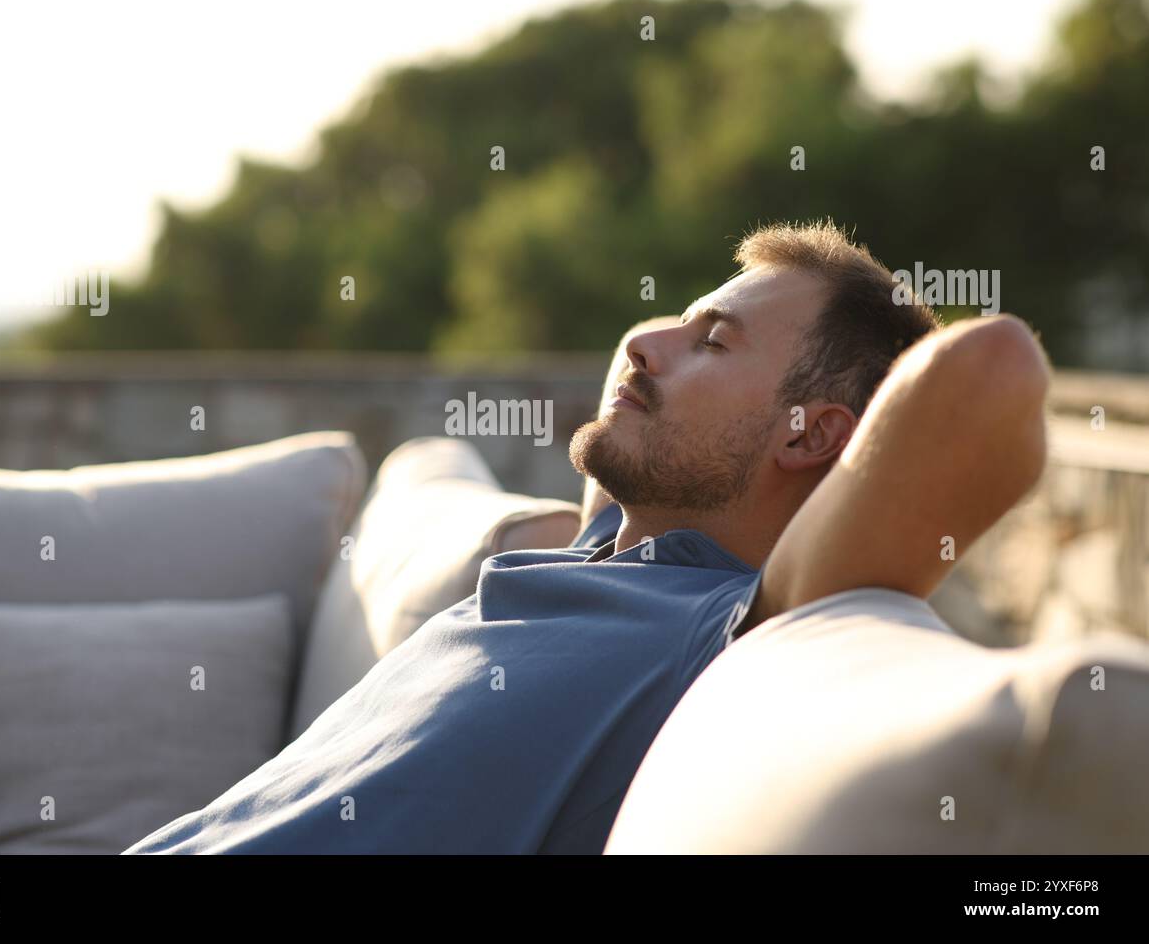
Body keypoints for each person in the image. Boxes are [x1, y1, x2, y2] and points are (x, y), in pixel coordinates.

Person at [123, 220, 1050, 854]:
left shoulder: (733, 623)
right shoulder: (602, 551)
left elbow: (992, 368)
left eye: (714, 341)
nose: (648, 342)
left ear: (810, 432)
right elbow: (491, 434)